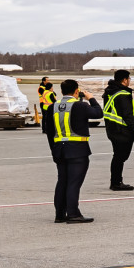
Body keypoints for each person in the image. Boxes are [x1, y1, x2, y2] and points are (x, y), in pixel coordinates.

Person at [43, 79, 102, 223]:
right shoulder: (80, 105)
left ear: (62, 91)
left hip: (59, 150)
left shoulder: (52, 107)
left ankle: (60, 214)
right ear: (76, 91)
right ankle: (73, 214)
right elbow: (98, 113)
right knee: (74, 183)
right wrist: (91, 98)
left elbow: (49, 132)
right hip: (77, 150)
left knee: (62, 181)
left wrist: (54, 151)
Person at [100, 69, 134, 192]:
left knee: (118, 157)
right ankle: (116, 183)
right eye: (129, 79)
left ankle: (116, 181)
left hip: (113, 130)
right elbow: (128, 114)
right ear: (124, 80)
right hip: (122, 131)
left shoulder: (110, 91)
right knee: (120, 157)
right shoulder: (122, 94)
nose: (129, 81)